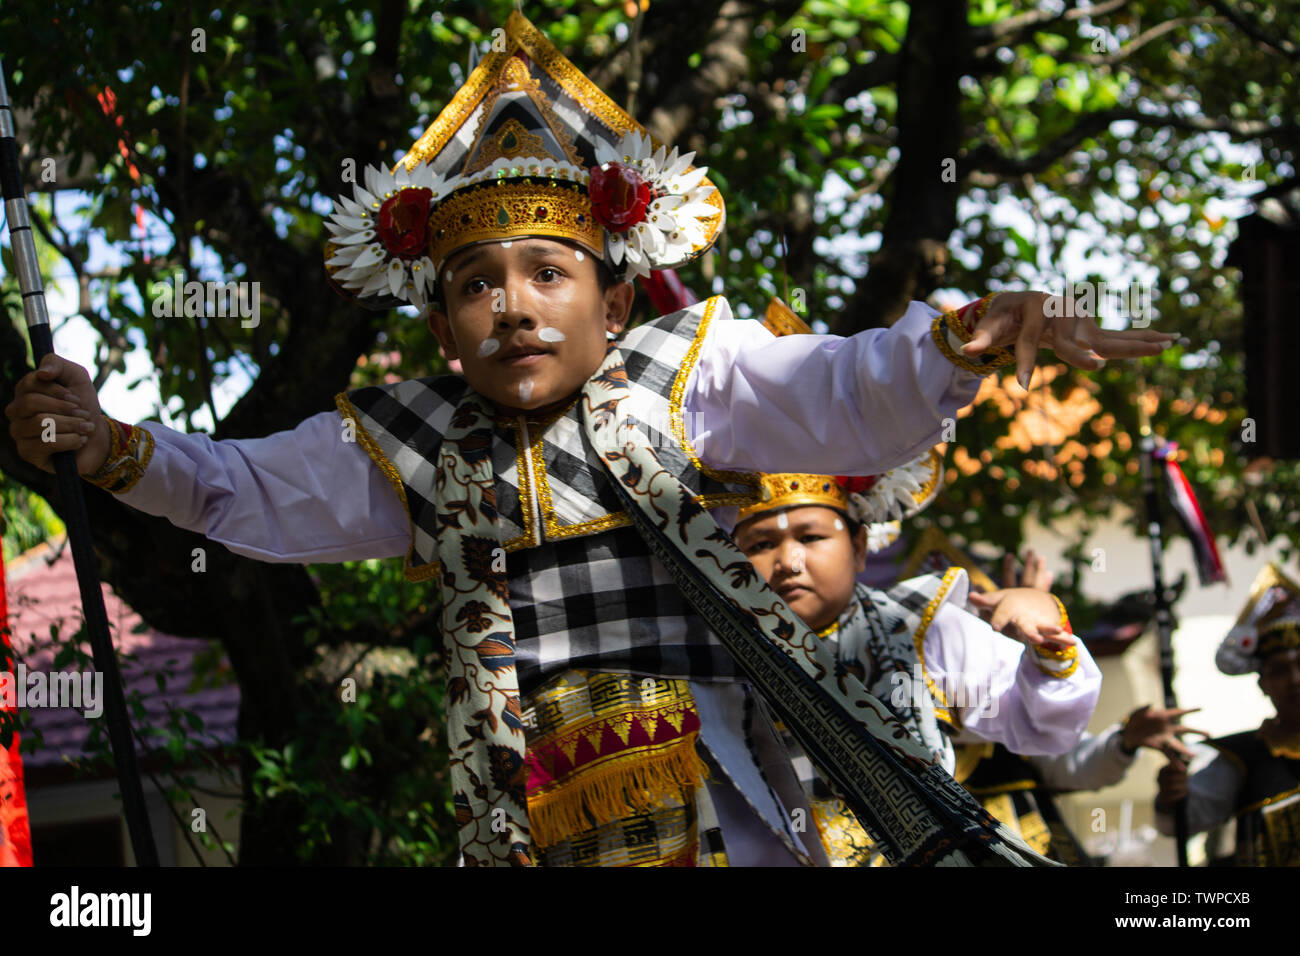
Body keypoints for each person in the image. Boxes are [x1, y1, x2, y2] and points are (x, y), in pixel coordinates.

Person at [4, 11, 1174, 867]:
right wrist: (109, 443)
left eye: (548, 272)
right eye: (474, 283)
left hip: (727, 797)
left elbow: (842, 387)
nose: (512, 303)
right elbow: (234, 487)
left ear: (614, 304)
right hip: (523, 814)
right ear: (442, 327)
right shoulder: (408, 437)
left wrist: (958, 343)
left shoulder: (684, 377)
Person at [731, 467, 1101, 864]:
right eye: (761, 543)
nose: (789, 561)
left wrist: (1046, 638)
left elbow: (1043, 727)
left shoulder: (924, 627)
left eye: (811, 537)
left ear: (858, 546)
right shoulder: (709, 657)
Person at [1155, 563, 1300, 866]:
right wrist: (1172, 796)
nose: (1295, 679)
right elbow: (1181, 821)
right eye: (1280, 670)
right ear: (1263, 685)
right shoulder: (1241, 758)